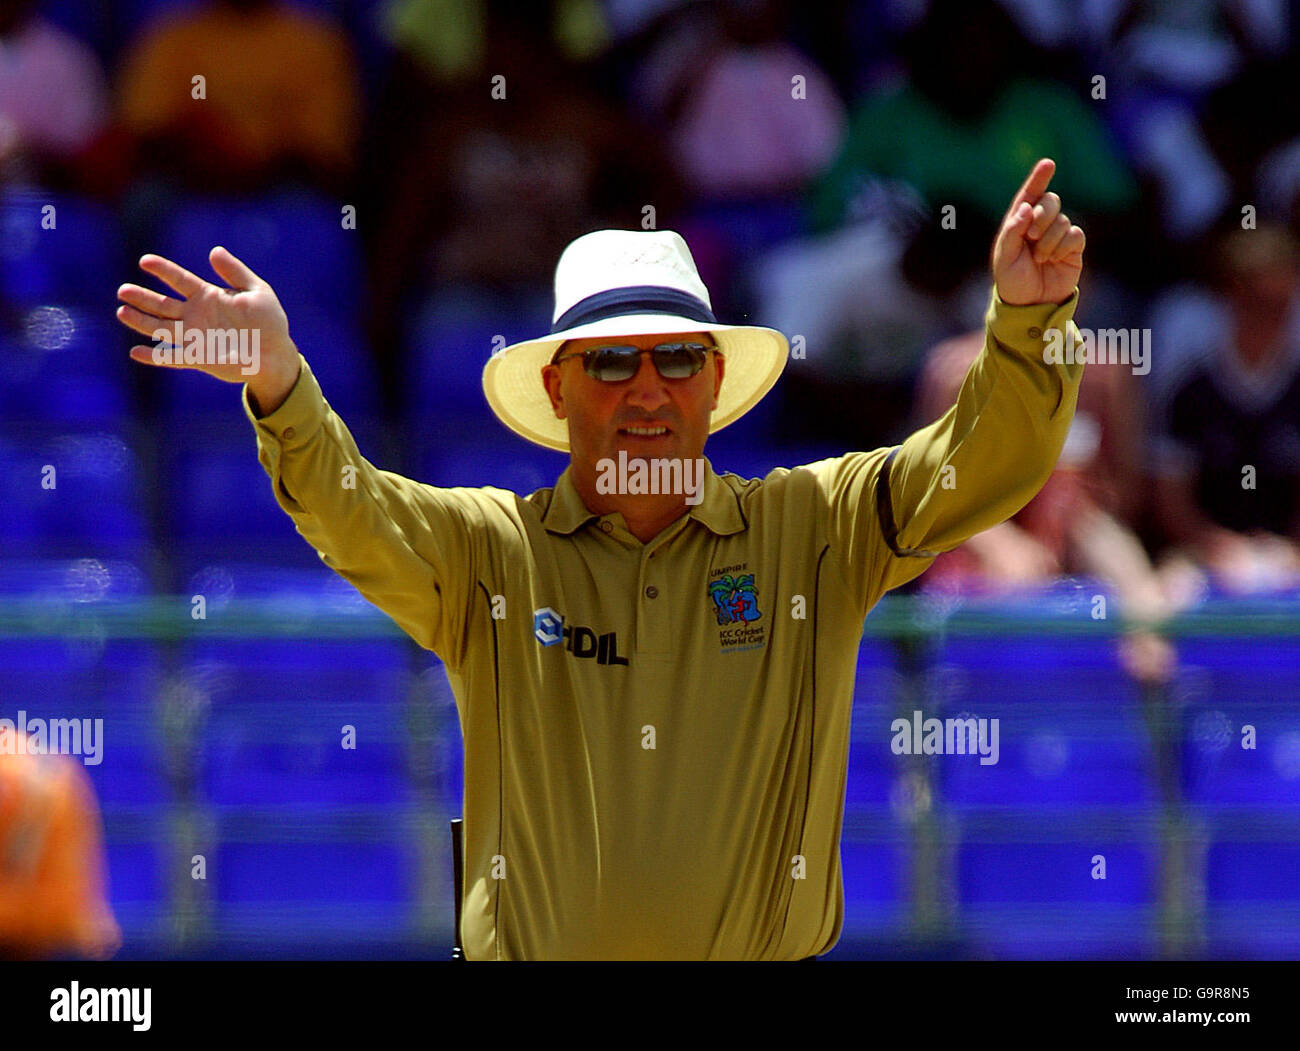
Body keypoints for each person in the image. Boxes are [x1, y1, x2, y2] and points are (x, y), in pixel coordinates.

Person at [115, 158, 1086, 960]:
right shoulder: (493, 550)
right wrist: (281, 382)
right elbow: (351, 509)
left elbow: (979, 465)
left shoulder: (813, 527)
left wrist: (1027, 322)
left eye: (674, 358)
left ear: (713, 382)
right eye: (612, 361)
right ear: (560, 385)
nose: (647, 388)